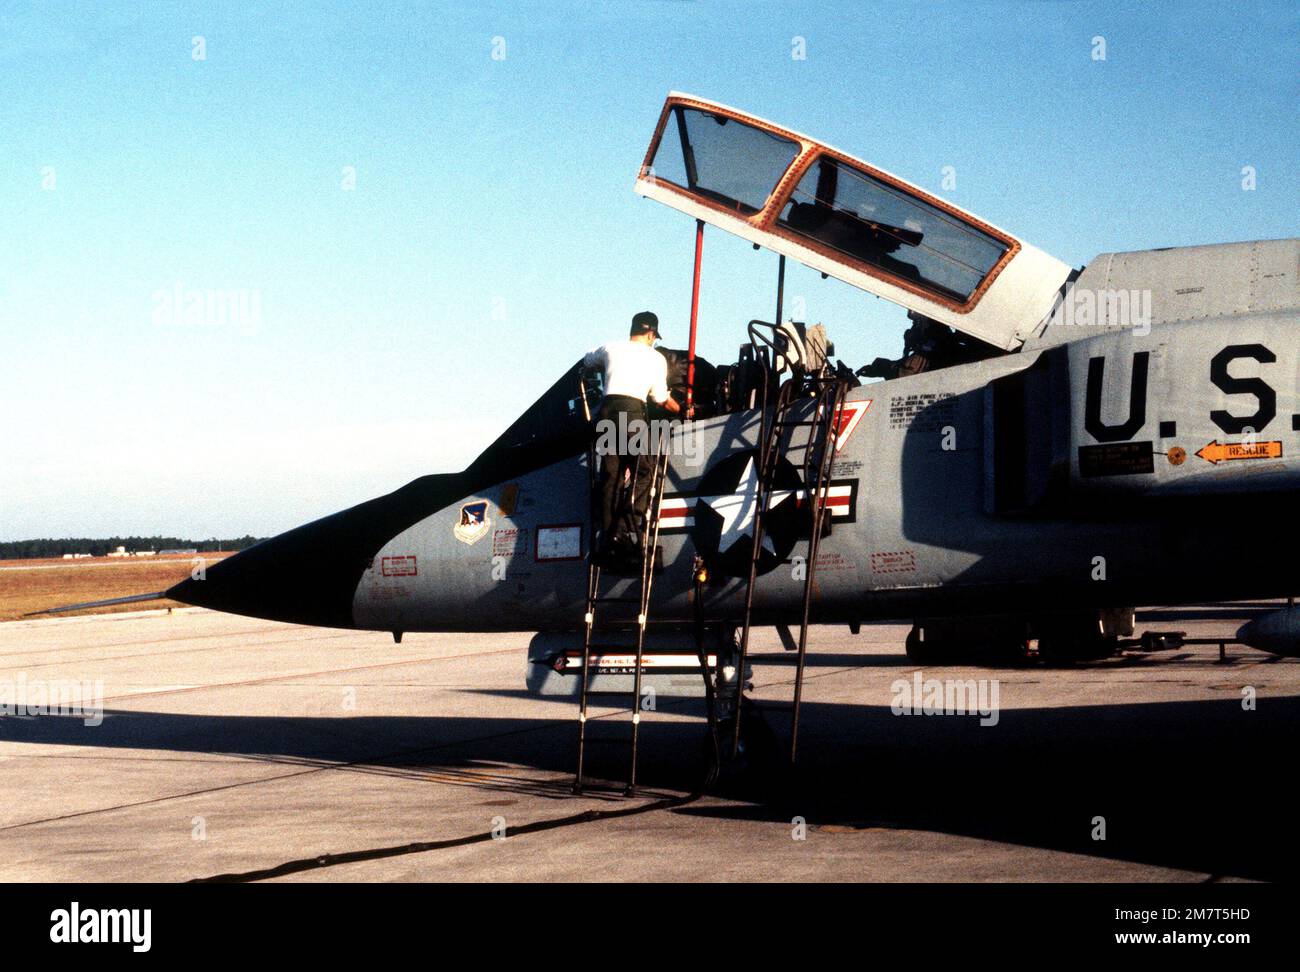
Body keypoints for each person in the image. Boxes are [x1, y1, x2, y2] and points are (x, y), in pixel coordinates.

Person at [582, 311, 692, 565]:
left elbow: (588, 360)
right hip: (632, 414)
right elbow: (660, 398)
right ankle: (626, 526)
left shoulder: (611, 348)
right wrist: (684, 410)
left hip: (607, 414)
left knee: (611, 475)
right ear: (652, 334)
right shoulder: (655, 359)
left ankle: (608, 538)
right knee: (645, 469)